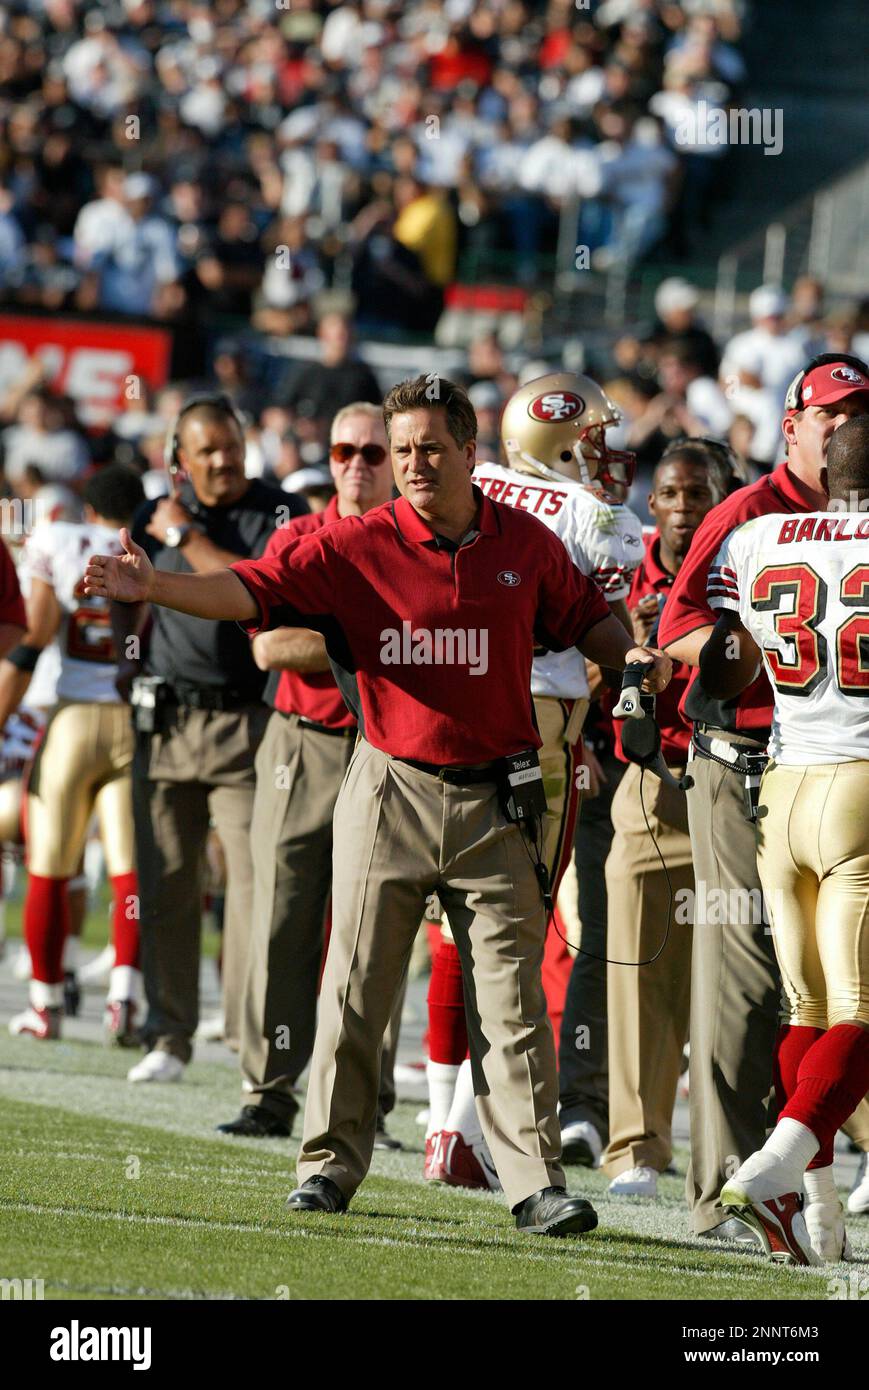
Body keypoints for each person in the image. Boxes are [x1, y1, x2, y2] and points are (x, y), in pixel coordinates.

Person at [85, 374, 672, 1236]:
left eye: (430, 447)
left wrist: (631, 660)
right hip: (389, 782)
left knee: (508, 1007)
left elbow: (588, 618)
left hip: (498, 794)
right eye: (400, 451)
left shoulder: (528, 542)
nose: (413, 465)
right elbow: (249, 591)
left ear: (472, 451)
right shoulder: (354, 544)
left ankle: (533, 1184)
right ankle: (327, 1163)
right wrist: (157, 588)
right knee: (356, 988)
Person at [658, 353, 869, 1238]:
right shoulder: (747, 513)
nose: (844, 428)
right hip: (761, 767)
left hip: (788, 773)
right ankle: (763, 1177)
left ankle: (808, 1197)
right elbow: (680, 630)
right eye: (833, 414)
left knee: (805, 1004)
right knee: (757, 994)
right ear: (792, 425)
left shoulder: (758, 541)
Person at [426, 372, 644, 1188]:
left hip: (453, 716)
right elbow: (608, 641)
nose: (607, 456)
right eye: (594, 439)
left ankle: (440, 1108)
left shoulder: (470, 487)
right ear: (557, 437)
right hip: (539, 727)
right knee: (516, 920)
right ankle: (465, 1128)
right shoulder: (600, 519)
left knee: (452, 919)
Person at [217, 402, 401, 1144]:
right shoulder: (299, 534)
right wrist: (373, 635)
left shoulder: (413, 540)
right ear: (327, 458)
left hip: (387, 746)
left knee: (372, 932)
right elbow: (268, 649)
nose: (356, 464)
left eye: (372, 452)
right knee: (282, 919)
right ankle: (270, 1090)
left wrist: (331, 632)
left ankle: (367, 1102)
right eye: (343, 450)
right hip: (301, 742)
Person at [123, 393, 306, 1083]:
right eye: (207, 450)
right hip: (167, 719)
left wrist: (182, 538)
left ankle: (248, 1041)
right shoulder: (152, 513)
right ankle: (167, 1034)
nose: (224, 459)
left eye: (231, 444)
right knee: (165, 881)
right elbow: (130, 597)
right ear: (179, 459)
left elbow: (260, 587)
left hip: (247, 722)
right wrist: (126, 662)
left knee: (255, 888)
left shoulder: (281, 508)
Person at [602, 442, 722, 1198]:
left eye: (698, 495)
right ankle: (635, 1149)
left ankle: (748, 1145)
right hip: (645, 787)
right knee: (633, 975)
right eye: (672, 494)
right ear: (652, 504)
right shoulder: (618, 575)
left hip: (727, 786)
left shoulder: (740, 569)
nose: (683, 509)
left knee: (745, 985)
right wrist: (626, 649)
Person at [3, 465, 145, 1042]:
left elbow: (37, 631)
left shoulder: (57, 539)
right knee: (128, 871)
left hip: (70, 720)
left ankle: (46, 1003)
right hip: (134, 720)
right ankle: (125, 998)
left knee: (49, 867)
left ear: (88, 508)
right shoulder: (148, 542)